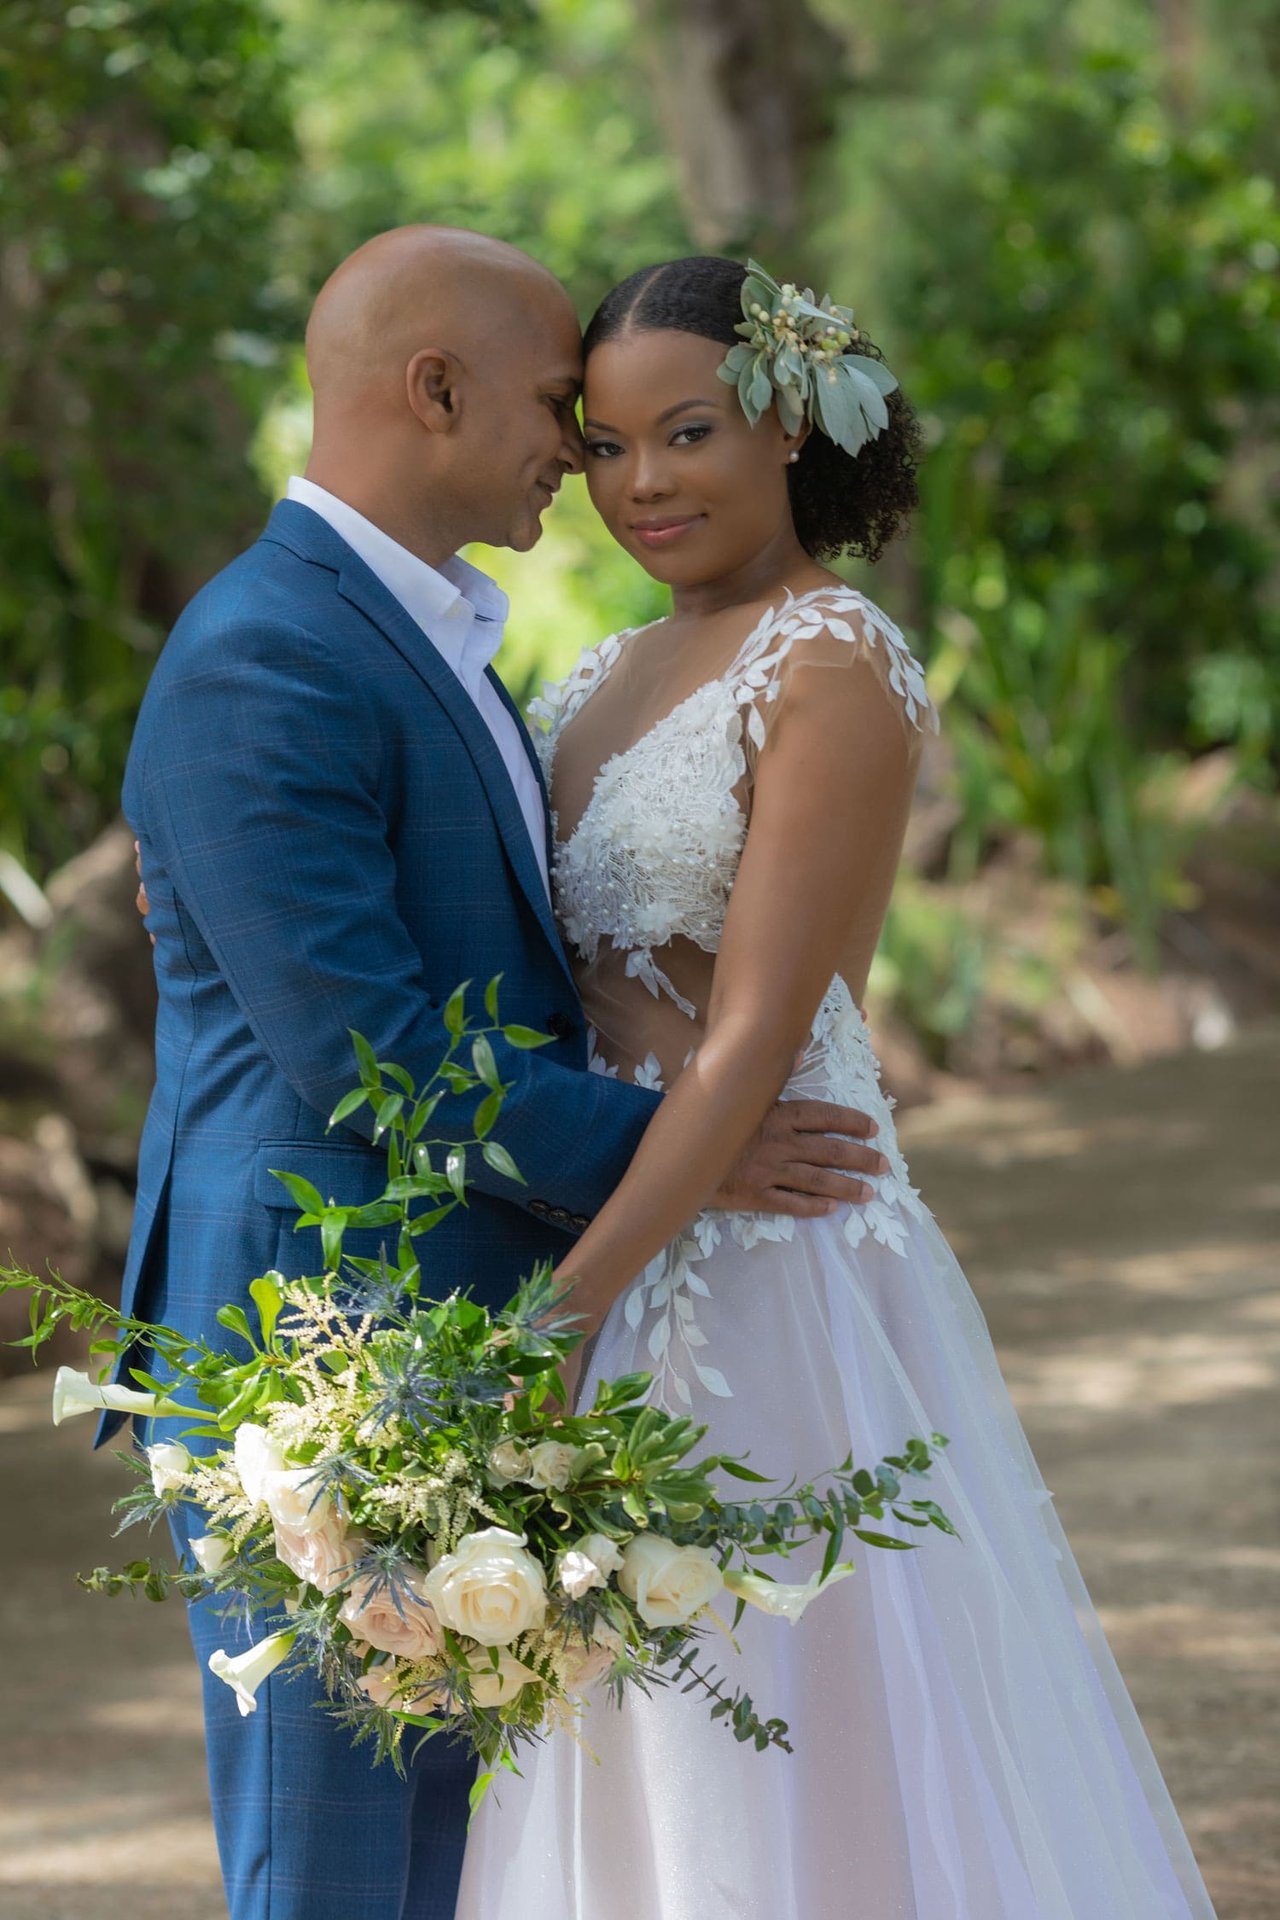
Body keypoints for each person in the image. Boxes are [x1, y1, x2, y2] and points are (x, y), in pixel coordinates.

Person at [118, 228, 889, 1920]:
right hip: (316, 1335)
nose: (588, 456)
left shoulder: (450, 638)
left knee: (476, 1857)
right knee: (331, 1864)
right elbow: (365, 1051)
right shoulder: (267, 651)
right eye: (569, 413)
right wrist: (686, 1145)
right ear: (436, 389)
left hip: (478, 1321)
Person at [454, 255, 1219, 1918]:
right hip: (617, 1247)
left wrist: (561, 1311)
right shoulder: (585, 685)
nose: (643, 481)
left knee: (795, 1725)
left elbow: (754, 1034)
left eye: (691, 432)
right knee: (637, 1733)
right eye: (606, 445)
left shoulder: (832, 659)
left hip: (769, 1272)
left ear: (790, 421)